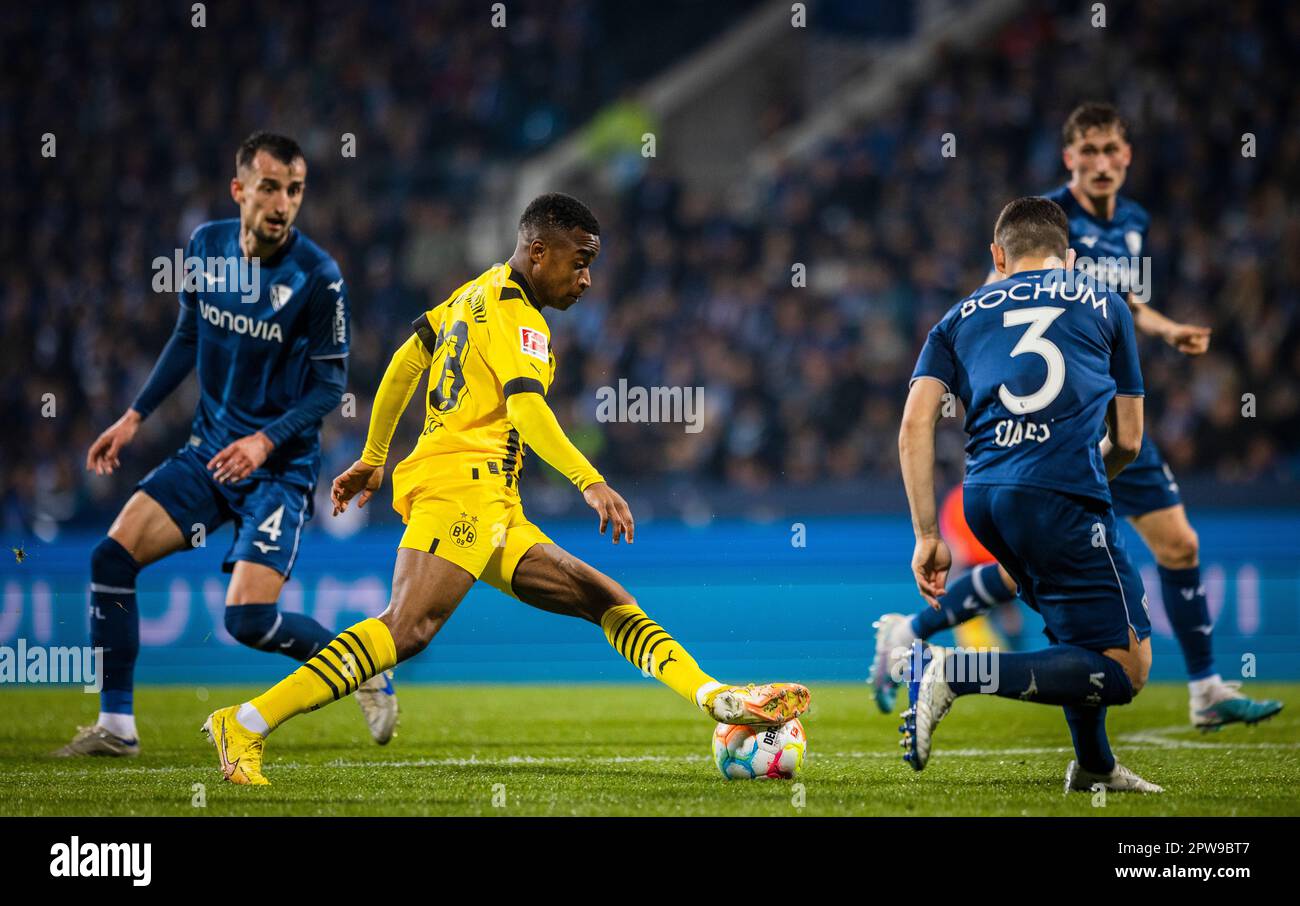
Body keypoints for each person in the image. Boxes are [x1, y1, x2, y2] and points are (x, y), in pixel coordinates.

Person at [202, 193, 810, 785]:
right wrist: (590, 481)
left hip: (492, 501)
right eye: (580, 262)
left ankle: (713, 695)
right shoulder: (520, 317)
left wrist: (374, 456)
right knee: (406, 628)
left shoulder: (474, 293)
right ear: (539, 251)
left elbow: (405, 362)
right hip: (462, 488)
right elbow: (526, 410)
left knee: (603, 597)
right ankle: (246, 723)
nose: (587, 279)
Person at [874, 103, 1282, 730]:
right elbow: (1000, 301)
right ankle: (920, 636)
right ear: (1068, 159)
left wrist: (1167, 329)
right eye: (1086, 151)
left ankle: (1202, 691)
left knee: (1173, 545)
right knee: (1047, 574)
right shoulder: (1045, 225)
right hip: (1063, 426)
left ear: (1127, 156)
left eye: (1110, 150)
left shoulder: (1133, 222)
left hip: (1096, 423)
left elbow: (1124, 302)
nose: (1099, 162)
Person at [57, 133, 395, 757]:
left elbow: (330, 385)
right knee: (111, 559)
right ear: (239, 190)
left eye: (294, 190)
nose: (282, 203)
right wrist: (134, 416)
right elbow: (189, 334)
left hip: (278, 469)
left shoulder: (318, 277)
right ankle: (117, 727)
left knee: (247, 622)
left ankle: (364, 665)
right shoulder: (207, 247)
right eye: (269, 187)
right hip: (209, 453)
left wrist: (266, 443)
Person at [898, 196, 1160, 792]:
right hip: (1061, 491)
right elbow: (1129, 440)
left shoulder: (958, 316)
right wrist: (1086, 475)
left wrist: (927, 536)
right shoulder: (1108, 305)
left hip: (983, 497)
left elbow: (915, 424)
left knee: (1075, 636)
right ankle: (954, 671)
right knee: (1126, 668)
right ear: (1068, 259)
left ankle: (1094, 766)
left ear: (997, 255)